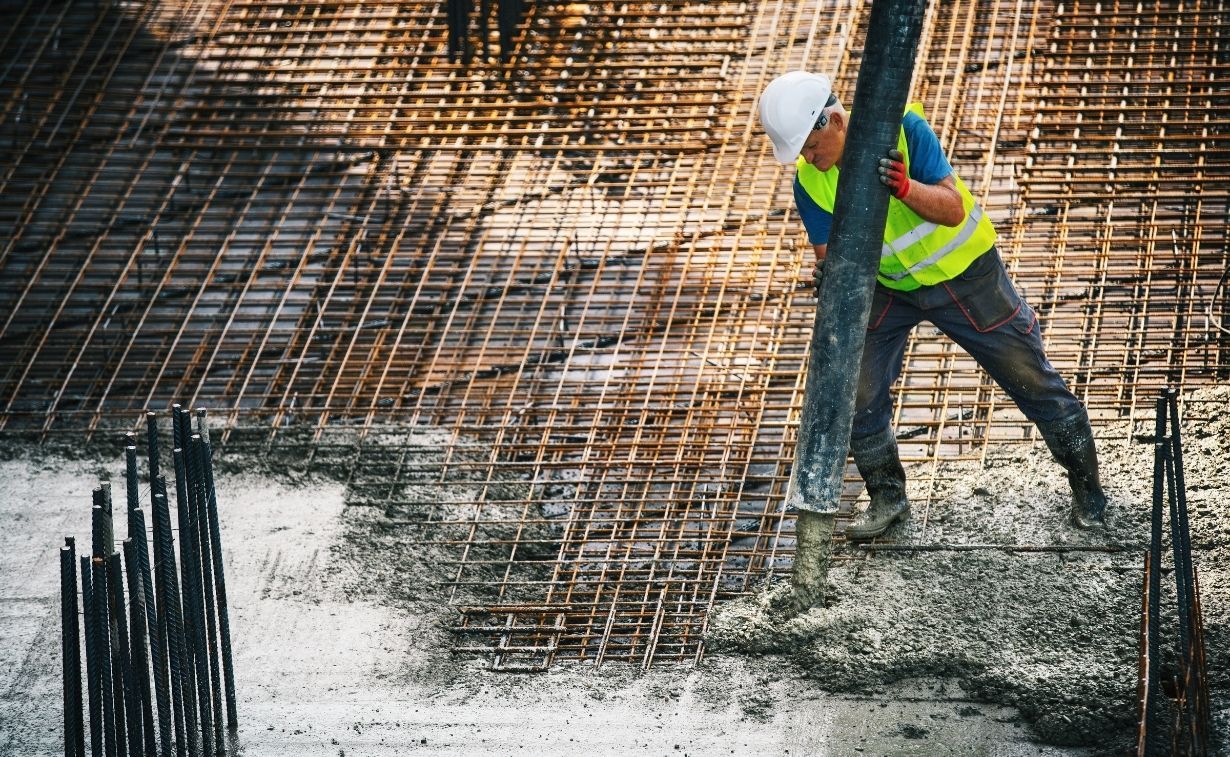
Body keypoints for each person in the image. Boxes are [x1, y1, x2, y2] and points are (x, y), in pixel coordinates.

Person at [757, 70, 1107, 541]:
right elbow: (830, 256)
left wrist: (905, 188)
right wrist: (829, 274)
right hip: (889, 287)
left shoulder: (904, 131)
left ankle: (1089, 492)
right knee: (856, 387)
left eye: (809, 146)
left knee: (1028, 374)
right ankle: (887, 497)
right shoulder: (811, 183)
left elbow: (952, 208)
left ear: (834, 122)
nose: (806, 157)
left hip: (966, 276)